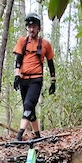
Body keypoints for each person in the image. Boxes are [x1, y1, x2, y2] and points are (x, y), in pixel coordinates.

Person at [12, 12, 55, 141]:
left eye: (34, 26)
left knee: (28, 104)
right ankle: (37, 135)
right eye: (29, 26)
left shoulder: (45, 44)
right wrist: (16, 76)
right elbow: (18, 60)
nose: (31, 29)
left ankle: (19, 135)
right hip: (23, 79)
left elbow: (50, 63)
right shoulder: (22, 42)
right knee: (30, 110)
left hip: (36, 79)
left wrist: (53, 81)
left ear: (38, 28)